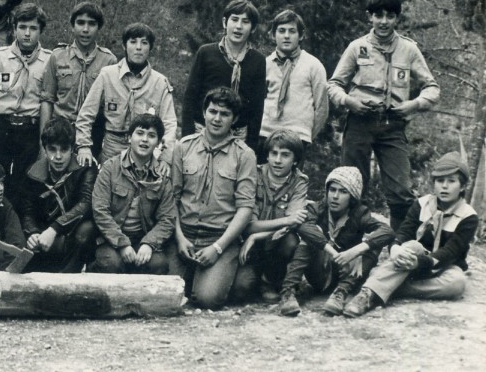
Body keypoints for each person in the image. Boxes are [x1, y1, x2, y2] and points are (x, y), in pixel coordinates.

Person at [328, 0, 440, 230]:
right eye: (378, 15)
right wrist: (349, 102)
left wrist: (414, 104)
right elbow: (333, 85)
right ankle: (348, 245)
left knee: (401, 191)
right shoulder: (357, 48)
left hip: (393, 125)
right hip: (359, 121)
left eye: (390, 16)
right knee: (352, 186)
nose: (383, 22)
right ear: (370, 17)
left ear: (396, 19)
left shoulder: (409, 49)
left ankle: (398, 247)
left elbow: (433, 88)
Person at [343, 152, 479, 318]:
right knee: (412, 246)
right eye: (440, 180)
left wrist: (419, 263)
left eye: (451, 181)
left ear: (463, 186)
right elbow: (404, 232)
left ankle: (387, 285)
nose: (444, 186)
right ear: (433, 183)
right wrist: (394, 248)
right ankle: (367, 294)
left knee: (457, 283)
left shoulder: (468, 216)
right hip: (413, 258)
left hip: (442, 264)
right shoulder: (422, 204)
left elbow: (451, 252)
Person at [167, 88, 257, 309]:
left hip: (219, 238)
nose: (217, 119)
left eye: (224, 114)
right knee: (165, 291)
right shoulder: (183, 147)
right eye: (212, 111)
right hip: (184, 236)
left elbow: (245, 209)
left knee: (207, 299)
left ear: (234, 119)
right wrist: (179, 239)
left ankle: (230, 273)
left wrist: (217, 248)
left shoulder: (244, 155)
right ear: (204, 113)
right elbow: (172, 198)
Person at [277, 166, 393, 317]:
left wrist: (355, 251)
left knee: (373, 245)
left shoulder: (360, 213)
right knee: (311, 235)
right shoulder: (317, 209)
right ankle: (288, 292)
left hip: (346, 275)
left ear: (352, 196)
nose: (335, 196)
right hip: (320, 273)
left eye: (343, 191)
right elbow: (304, 227)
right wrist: (332, 252)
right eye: (332, 189)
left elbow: (387, 231)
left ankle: (341, 293)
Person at [75, 22, 177, 166]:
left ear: (150, 48)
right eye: (133, 42)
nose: (138, 48)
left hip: (146, 152)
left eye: (144, 43)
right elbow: (86, 115)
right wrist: (84, 147)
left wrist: (165, 158)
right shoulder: (107, 75)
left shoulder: (160, 82)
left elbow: (170, 124)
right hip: (112, 148)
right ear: (124, 45)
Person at [88, 114, 174, 275]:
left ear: (158, 143)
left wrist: (149, 244)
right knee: (111, 264)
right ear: (129, 137)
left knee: (158, 264)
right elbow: (100, 210)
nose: (145, 140)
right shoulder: (110, 168)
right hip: (111, 239)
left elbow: (167, 218)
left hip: (142, 240)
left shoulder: (161, 176)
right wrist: (122, 243)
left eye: (151, 136)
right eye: (140, 133)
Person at [0, 3, 52, 207]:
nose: (27, 33)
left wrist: (43, 142)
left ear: (40, 30)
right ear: (14, 28)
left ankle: (22, 229)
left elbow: (45, 103)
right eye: (22, 27)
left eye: (33, 28)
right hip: (1, 126)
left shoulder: (49, 60)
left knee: (25, 182)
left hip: (29, 130)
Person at [231, 130, 309, 302]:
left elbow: (293, 223)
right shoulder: (254, 175)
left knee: (290, 241)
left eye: (285, 155)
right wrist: (286, 220)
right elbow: (249, 224)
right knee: (240, 290)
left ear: (295, 160)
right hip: (250, 247)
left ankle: (270, 280)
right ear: (267, 155)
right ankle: (255, 278)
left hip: (276, 243)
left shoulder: (299, 181)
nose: (278, 160)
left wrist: (257, 235)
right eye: (274, 153)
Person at [181, 0, 266, 152]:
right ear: (225, 22)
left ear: (252, 28)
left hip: (238, 137)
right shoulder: (206, 53)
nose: (239, 26)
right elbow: (190, 97)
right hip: (202, 132)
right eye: (234, 19)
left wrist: (251, 147)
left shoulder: (258, 60)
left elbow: (257, 108)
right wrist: (187, 137)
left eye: (245, 22)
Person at [40, 2, 117, 156]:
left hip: (92, 132)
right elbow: (47, 100)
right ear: (72, 26)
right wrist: (43, 142)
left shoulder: (109, 61)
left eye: (92, 24)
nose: (85, 30)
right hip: (60, 129)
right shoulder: (57, 56)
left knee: (87, 176)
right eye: (80, 23)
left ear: (99, 28)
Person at [20, 117, 96, 273]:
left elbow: (85, 204)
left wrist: (54, 229)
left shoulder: (85, 169)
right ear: (45, 149)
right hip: (44, 236)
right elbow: (27, 211)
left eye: (64, 149)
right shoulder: (33, 173)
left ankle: (68, 279)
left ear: (73, 149)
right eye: (52, 149)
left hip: (70, 233)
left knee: (86, 230)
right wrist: (32, 232)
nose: (58, 156)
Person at [258, 10, 328, 162]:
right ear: (272, 34)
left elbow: (322, 107)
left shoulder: (313, 66)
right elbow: (257, 102)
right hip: (265, 135)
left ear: (301, 35)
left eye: (292, 31)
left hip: (297, 137)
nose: (287, 36)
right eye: (281, 31)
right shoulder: (265, 64)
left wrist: (306, 136)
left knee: (292, 182)